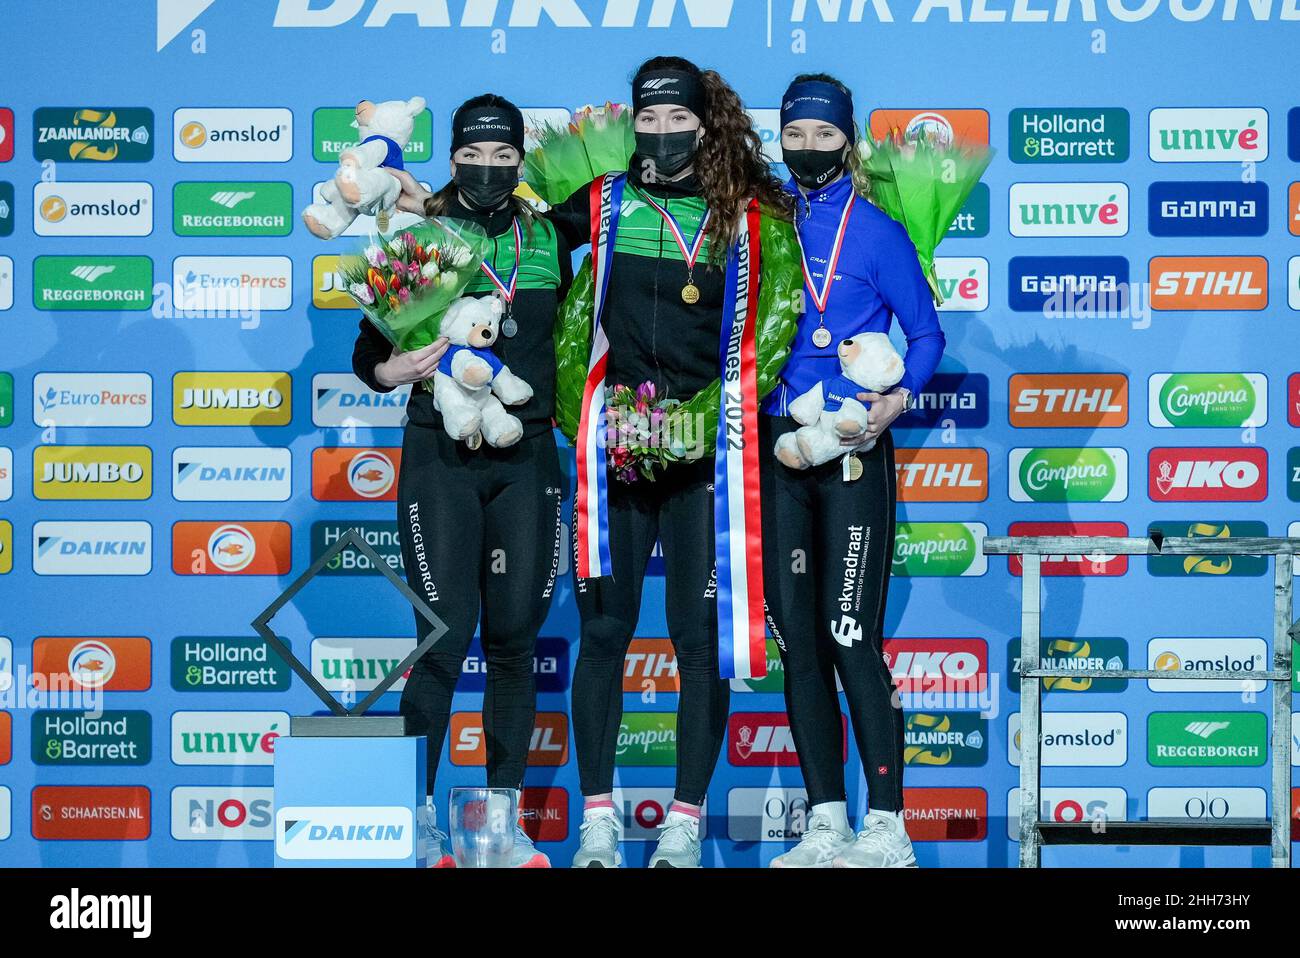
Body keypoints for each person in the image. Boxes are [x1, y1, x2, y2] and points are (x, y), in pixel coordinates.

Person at [546, 56, 796, 868]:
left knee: (697, 639)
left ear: (704, 122)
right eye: (646, 120)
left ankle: (683, 825)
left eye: (676, 120)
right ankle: (598, 825)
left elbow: (783, 321)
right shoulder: (606, 202)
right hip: (619, 449)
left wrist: (708, 417)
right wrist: (422, 210)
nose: (660, 134)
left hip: (706, 456)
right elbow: (516, 242)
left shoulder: (747, 216)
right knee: (605, 633)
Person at [351, 94, 571, 868]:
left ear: (520, 160)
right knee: (439, 639)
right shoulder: (423, 235)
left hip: (527, 455)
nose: (487, 167)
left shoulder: (548, 236)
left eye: (502, 156)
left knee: (514, 642)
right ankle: (414, 821)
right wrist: (391, 369)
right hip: (438, 456)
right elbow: (366, 352)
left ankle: (501, 832)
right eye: (472, 156)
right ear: (451, 159)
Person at [761, 74, 946, 868]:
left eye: (823, 136)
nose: (808, 150)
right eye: (795, 136)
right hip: (777, 450)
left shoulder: (877, 232)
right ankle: (827, 822)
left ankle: (888, 827)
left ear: (849, 141)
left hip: (853, 451)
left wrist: (896, 401)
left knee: (847, 634)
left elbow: (928, 335)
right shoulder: (761, 228)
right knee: (799, 642)